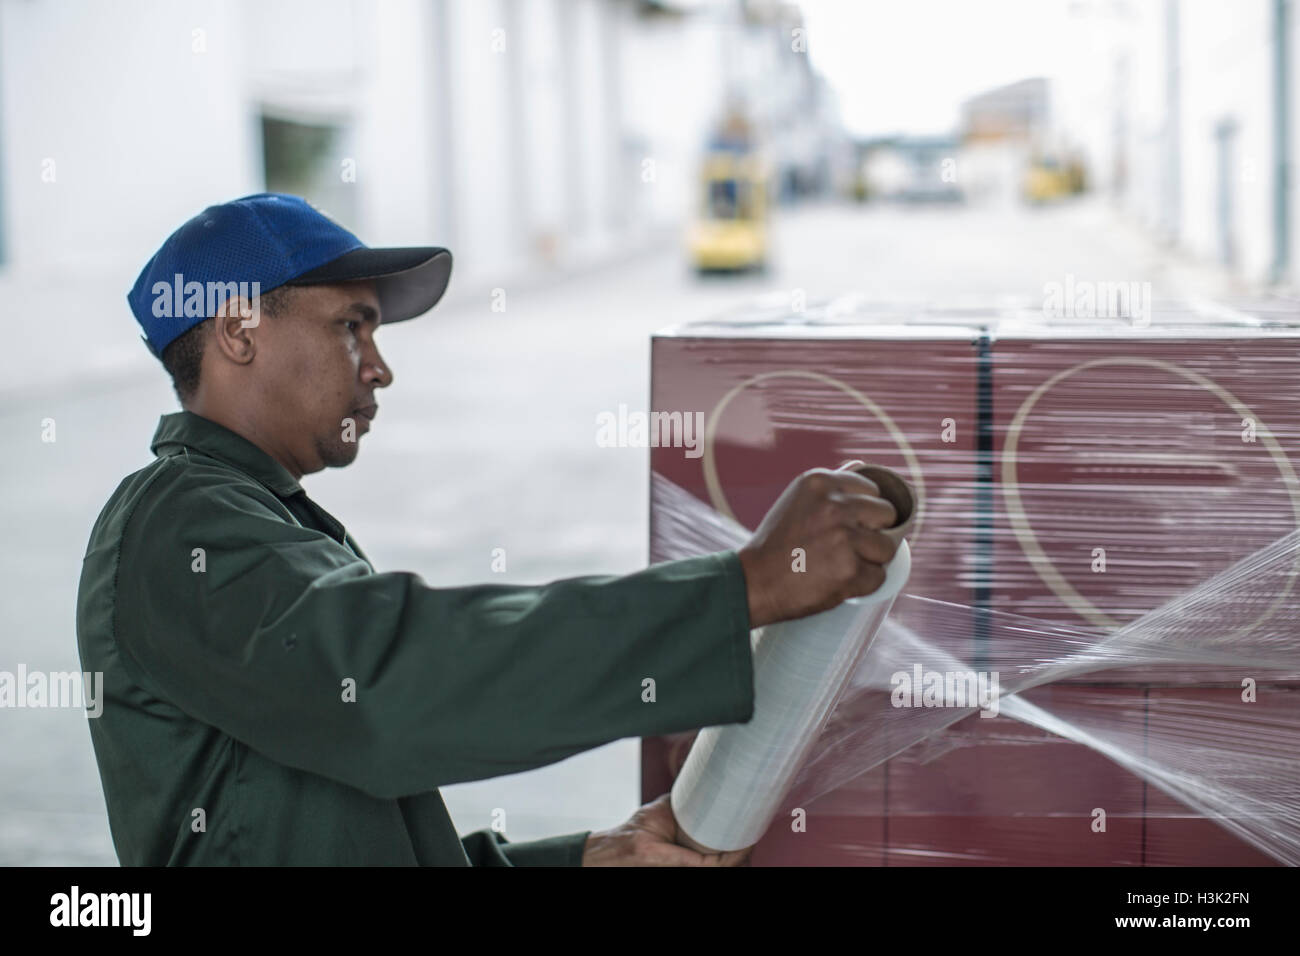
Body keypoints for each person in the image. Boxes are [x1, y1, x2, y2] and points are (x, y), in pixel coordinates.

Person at [75, 193, 899, 866]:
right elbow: (396, 690)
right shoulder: (180, 529)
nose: (379, 365)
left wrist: (580, 859)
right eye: (350, 326)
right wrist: (742, 589)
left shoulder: (262, 522)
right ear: (237, 333)